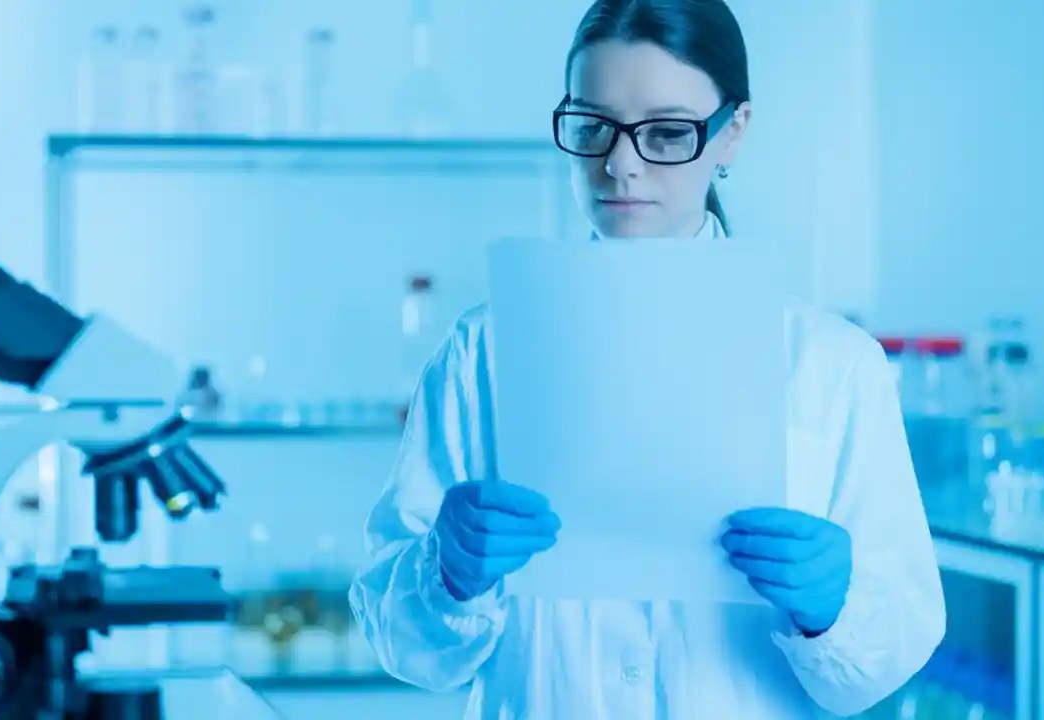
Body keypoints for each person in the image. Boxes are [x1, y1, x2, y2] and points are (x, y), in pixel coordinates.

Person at [349, 0, 946, 717]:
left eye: (666, 132)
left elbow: (889, 655)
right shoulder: (482, 350)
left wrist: (834, 610)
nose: (619, 165)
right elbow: (405, 648)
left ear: (734, 133)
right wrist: (443, 575)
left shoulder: (835, 366)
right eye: (593, 126)